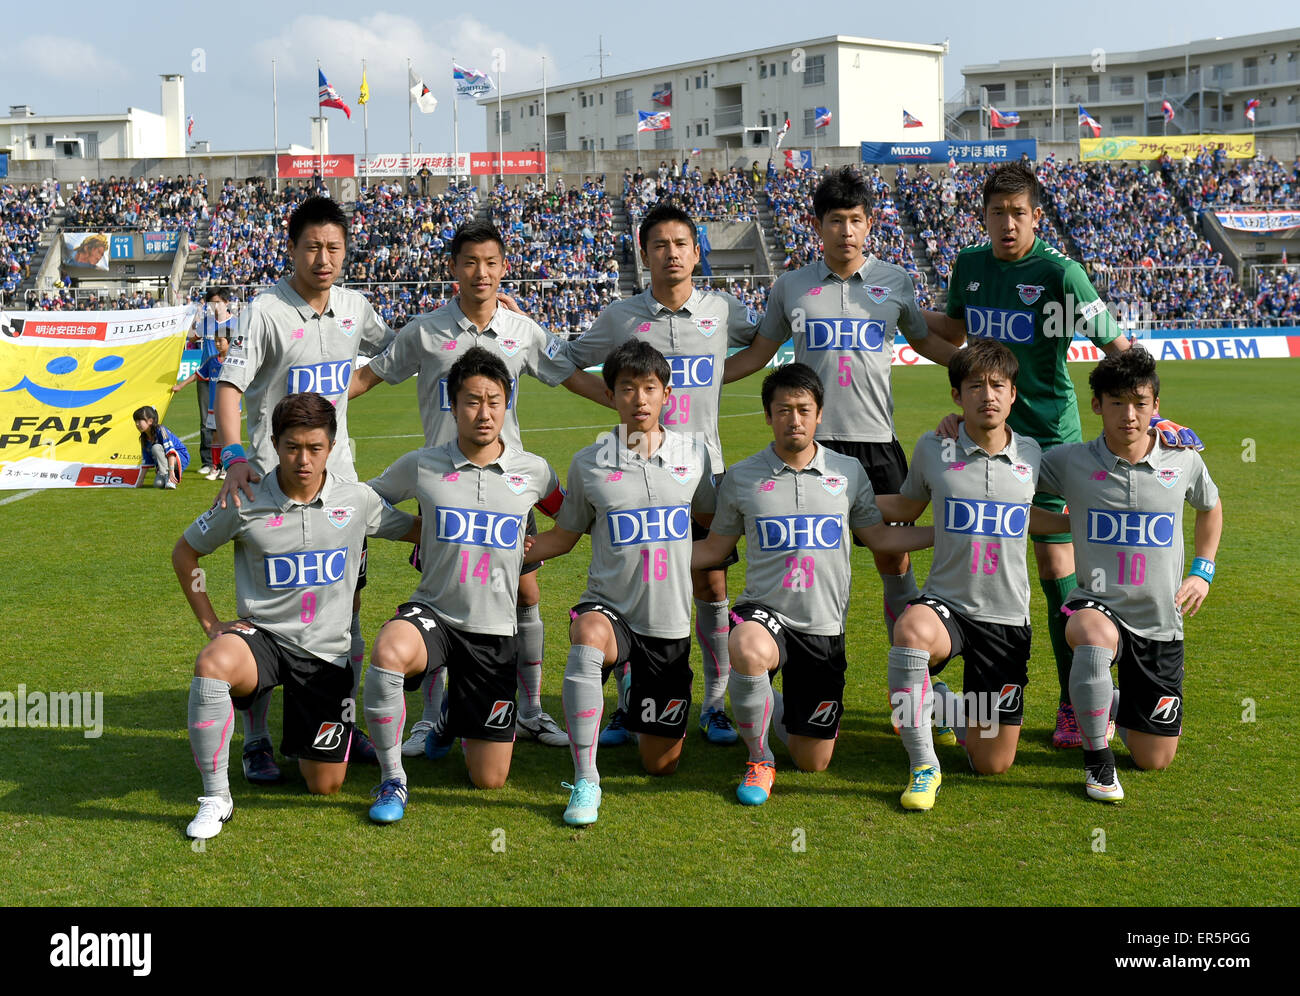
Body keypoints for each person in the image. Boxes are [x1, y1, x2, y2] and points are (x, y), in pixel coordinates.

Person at [921, 161, 1200, 750]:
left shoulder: (1060, 274)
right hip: (983, 435)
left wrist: (1157, 414)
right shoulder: (969, 267)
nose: (1007, 223)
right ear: (984, 217)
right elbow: (950, 327)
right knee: (978, 556)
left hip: (1048, 439)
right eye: (996, 213)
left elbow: (1117, 346)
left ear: (1036, 216)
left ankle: (1074, 701)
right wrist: (891, 313)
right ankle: (948, 694)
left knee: (1055, 572)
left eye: (1018, 213)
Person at [349, 220, 608, 754]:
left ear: (504, 266)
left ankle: (531, 709)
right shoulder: (423, 330)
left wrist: (630, 408)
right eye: (470, 261)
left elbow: (572, 376)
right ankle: (433, 715)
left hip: (508, 485)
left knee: (526, 590)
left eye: (490, 262)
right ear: (452, 268)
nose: (481, 272)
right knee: (446, 599)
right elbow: (369, 376)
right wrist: (308, 405)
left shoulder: (523, 330)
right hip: (444, 489)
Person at [724, 166, 959, 644]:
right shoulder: (790, 286)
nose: (846, 230)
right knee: (809, 558)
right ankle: (809, 656)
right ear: (817, 225)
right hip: (813, 446)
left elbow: (924, 342)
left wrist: (980, 373)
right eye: (835, 219)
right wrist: (695, 385)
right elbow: (757, 354)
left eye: (855, 219)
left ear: (870, 223)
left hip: (878, 443)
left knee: (893, 558)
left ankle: (911, 669)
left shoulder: (895, 282)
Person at [173, 393, 420, 839]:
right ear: (274, 443)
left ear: (331, 445)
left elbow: (414, 530)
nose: (303, 460)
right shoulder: (243, 497)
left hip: (326, 653)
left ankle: (286, 739)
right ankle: (215, 797)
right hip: (262, 639)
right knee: (213, 664)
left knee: (324, 786)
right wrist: (211, 623)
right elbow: (186, 552)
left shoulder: (357, 499)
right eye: (291, 447)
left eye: (314, 448)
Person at [691, 363, 934, 805]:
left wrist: (946, 532)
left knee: (813, 760)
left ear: (819, 413)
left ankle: (761, 701)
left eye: (803, 409)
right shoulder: (744, 478)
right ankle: (759, 757)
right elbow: (712, 549)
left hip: (823, 629)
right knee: (746, 645)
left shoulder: (848, 473)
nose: (794, 419)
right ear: (768, 416)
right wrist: (649, 556)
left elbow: (878, 537)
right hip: (765, 614)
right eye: (783, 410)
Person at [562, 201, 758, 747]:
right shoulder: (621, 316)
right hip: (631, 468)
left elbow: (764, 344)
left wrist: (720, 378)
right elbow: (567, 362)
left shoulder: (722, 310)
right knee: (635, 581)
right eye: (659, 246)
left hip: (702, 472)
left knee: (710, 582)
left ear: (697, 252)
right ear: (644, 254)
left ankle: (715, 702)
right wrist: (616, 404)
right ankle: (631, 699)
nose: (671, 254)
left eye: (680, 244)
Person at [214, 195, 395, 782]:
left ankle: (339, 723)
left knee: (347, 608)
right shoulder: (265, 310)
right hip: (274, 485)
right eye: (312, 247)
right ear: (291, 249)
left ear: (346, 252)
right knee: (268, 614)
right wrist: (236, 455)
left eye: (334, 248)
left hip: (339, 487)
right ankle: (258, 739)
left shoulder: (355, 307)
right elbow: (230, 386)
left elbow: (390, 352)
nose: (323, 258)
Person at [363, 347, 564, 822]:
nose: (483, 411)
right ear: (452, 406)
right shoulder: (422, 464)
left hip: (494, 632)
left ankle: (450, 716)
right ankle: (393, 780)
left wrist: (532, 549)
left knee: (489, 779)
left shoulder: (533, 471)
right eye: (471, 401)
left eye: (494, 400)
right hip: (433, 613)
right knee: (389, 651)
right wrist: (412, 529)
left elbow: (571, 518)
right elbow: (364, 502)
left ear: (507, 404)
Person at [524, 340, 716, 826]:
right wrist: (504, 555)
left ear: (667, 393)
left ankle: (632, 699)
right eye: (627, 389)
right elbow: (564, 537)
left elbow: (714, 526)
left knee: (661, 765)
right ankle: (586, 777)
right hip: (610, 609)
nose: (639, 399)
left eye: (649, 387)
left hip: (668, 624)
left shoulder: (694, 457)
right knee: (588, 637)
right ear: (610, 395)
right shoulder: (590, 463)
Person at [876, 340, 1068, 811]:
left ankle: (936, 703)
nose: (988, 395)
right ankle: (924, 766)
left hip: (1006, 617)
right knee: (910, 630)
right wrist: (842, 497)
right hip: (948, 605)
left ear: (1013, 394)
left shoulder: (1033, 454)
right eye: (975, 386)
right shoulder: (933, 447)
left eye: (997, 386)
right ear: (957, 396)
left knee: (992, 764)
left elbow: (1027, 515)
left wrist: (1075, 526)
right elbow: (906, 508)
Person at [1037, 348, 1221, 802]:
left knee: (1155, 759)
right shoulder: (1069, 461)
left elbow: (1210, 507)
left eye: (1140, 403)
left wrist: (1203, 570)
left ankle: (1110, 700)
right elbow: (1008, 482)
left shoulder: (1183, 460)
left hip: (1160, 620)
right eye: (1116, 402)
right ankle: (1098, 762)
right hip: (1098, 605)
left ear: (1156, 407)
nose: (1129, 415)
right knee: (1087, 631)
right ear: (1097, 405)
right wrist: (957, 426)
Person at [174, 327, 232, 480]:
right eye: (215, 341)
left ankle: (227, 468)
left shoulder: (234, 361)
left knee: (227, 436)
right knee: (215, 437)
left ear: (230, 342)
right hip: (213, 406)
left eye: (220, 341)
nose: (217, 344)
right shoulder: (212, 360)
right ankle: (215, 468)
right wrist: (180, 385)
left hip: (230, 407)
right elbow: (197, 375)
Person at [188, 288, 235, 478]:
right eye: (211, 303)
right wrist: (189, 318)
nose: (215, 307)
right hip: (205, 376)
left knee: (227, 421)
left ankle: (227, 462)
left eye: (218, 303)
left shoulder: (236, 323)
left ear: (226, 303)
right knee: (205, 422)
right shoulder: (205, 323)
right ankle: (208, 462)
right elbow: (192, 338)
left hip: (227, 378)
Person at [135, 405, 189, 490]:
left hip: (179, 457)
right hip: (164, 463)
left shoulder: (161, 430)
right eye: (136, 421)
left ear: (150, 421)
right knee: (158, 485)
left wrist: (171, 473)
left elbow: (171, 452)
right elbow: (146, 462)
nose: (137, 424)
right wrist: (140, 480)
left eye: (139, 421)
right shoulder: (143, 438)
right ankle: (164, 475)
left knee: (156, 447)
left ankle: (169, 478)